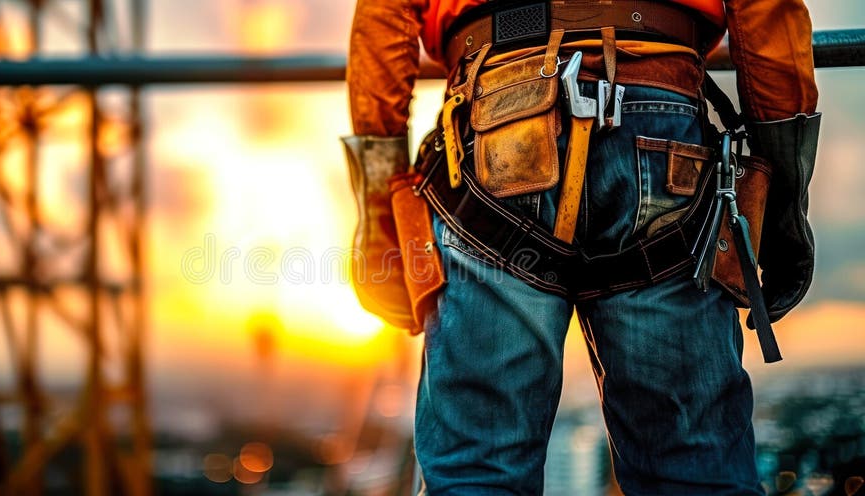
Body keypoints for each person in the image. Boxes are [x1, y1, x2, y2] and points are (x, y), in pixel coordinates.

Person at [342, 0, 821, 493]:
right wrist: (784, 197)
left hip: (493, 128)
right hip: (660, 123)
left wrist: (379, 214)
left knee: (477, 472)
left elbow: (385, 17)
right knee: (692, 468)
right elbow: (766, 11)